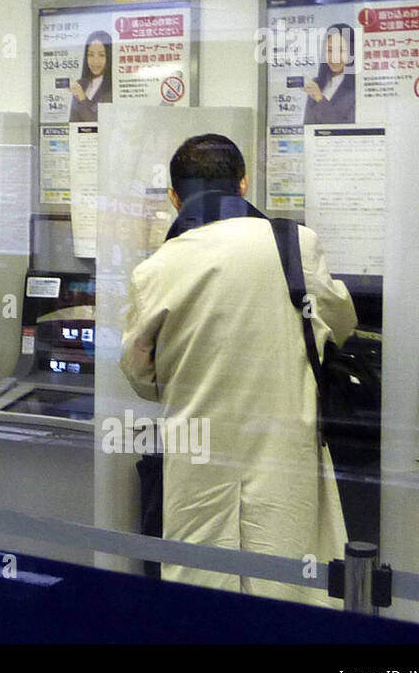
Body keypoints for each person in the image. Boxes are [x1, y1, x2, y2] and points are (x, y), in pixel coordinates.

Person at [119, 134, 356, 606]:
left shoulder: (158, 268)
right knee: (289, 590)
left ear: (174, 197)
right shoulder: (295, 245)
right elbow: (342, 323)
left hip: (198, 464)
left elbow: (141, 376)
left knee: (203, 597)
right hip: (284, 459)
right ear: (244, 183)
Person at [303, 23, 356, 125]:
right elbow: (307, 126)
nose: (334, 57)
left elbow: (349, 130)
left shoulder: (357, 88)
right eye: (330, 50)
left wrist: (320, 99)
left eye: (341, 50)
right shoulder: (317, 83)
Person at [68, 30, 113, 123]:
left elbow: (101, 123)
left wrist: (82, 99)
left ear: (109, 57)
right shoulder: (81, 85)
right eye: (90, 55)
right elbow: (73, 123)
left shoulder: (112, 88)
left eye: (101, 55)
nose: (95, 61)